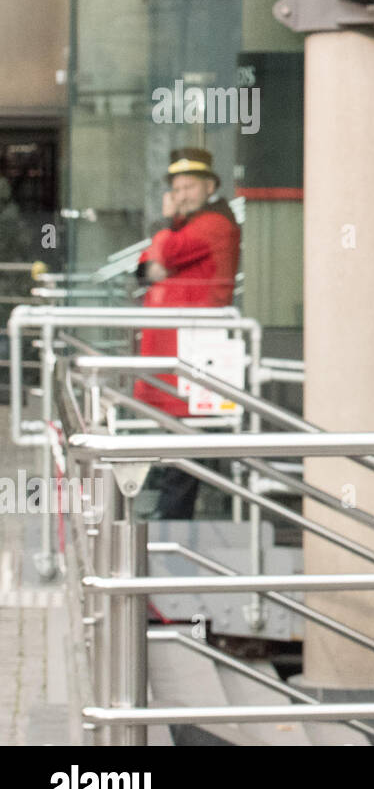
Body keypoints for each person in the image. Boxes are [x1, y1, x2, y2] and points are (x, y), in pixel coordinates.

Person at [135, 147, 241, 519]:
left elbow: (166, 254)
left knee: (190, 431)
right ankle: (174, 510)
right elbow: (145, 268)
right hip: (181, 344)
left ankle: (175, 516)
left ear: (210, 186)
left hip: (196, 345)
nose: (181, 195)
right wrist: (161, 251)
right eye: (176, 188)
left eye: (189, 186)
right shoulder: (192, 224)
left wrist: (164, 227)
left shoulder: (214, 223)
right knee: (184, 430)